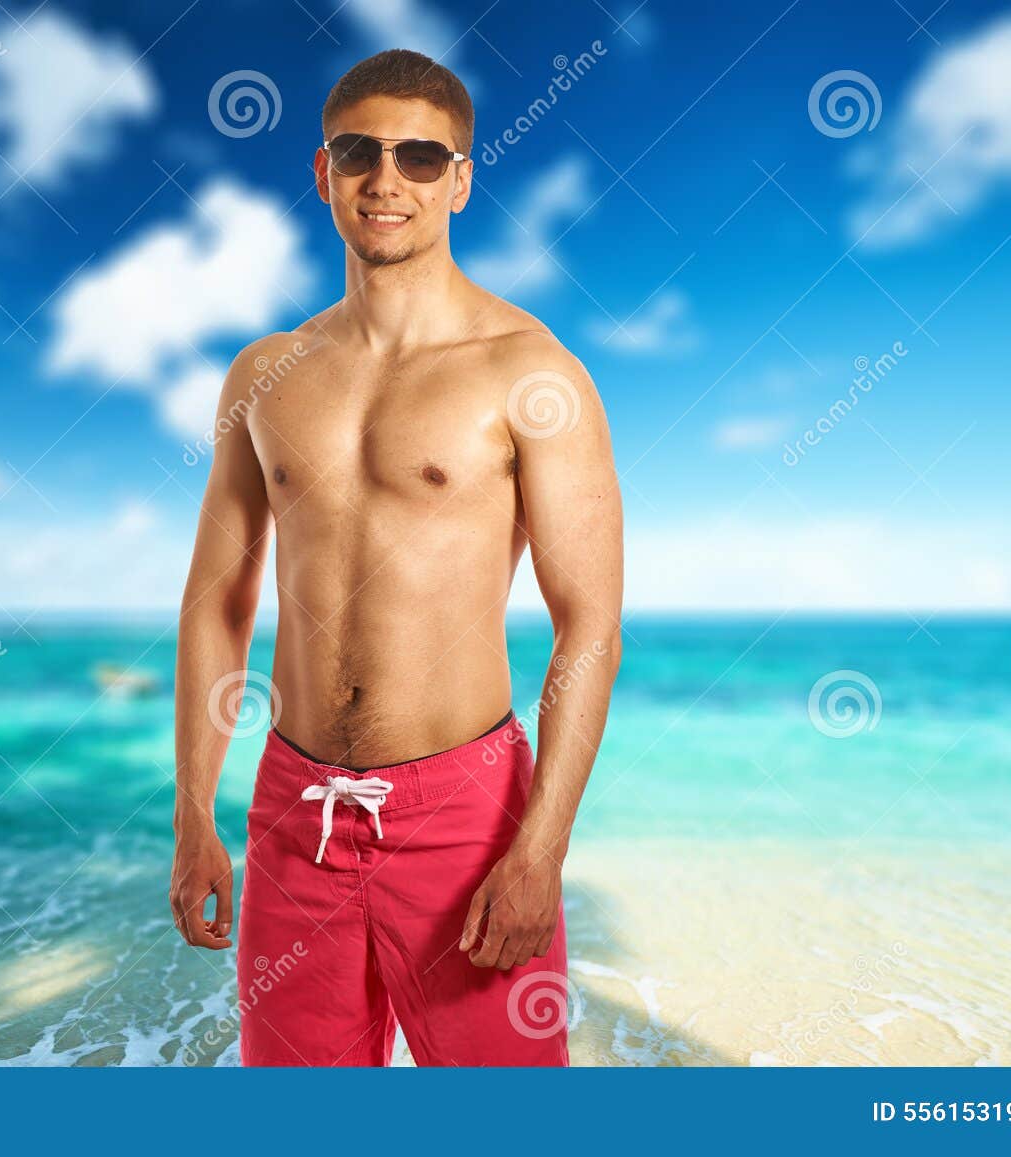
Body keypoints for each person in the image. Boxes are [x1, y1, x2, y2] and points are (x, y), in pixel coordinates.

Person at [169, 48, 623, 1066]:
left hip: (465, 817)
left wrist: (539, 844)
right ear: (321, 170)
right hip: (294, 814)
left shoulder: (531, 372)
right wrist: (194, 809)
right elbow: (217, 598)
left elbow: (587, 623)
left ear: (460, 178)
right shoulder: (268, 372)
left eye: (421, 157)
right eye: (359, 152)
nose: (387, 180)